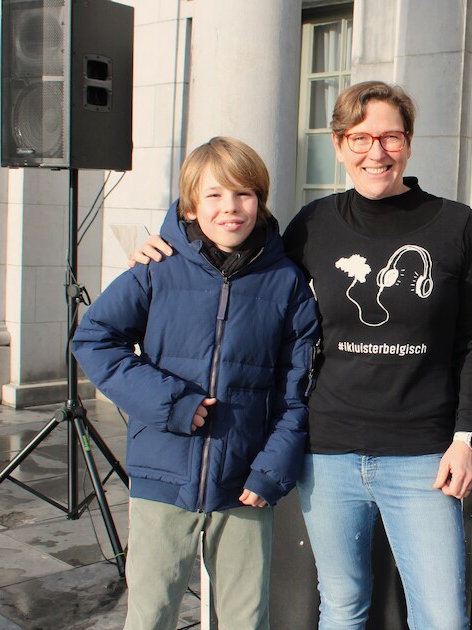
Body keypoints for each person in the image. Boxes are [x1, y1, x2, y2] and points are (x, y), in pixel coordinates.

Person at [132, 81, 472, 629]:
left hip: (424, 454)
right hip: (328, 454)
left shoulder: (455, 224)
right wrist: (168, 242)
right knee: (343, 606)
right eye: (361, 137)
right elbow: (236, 253)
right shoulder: (314, 224)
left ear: (410, 143)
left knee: (443, 616)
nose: (377, 152)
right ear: (340, 144)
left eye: (391, 137)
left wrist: (466, 439)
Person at [72, 136, 320, 630]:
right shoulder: (157, 269)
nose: (231, 208)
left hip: (244, 481)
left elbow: (297, 389)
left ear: (261, 200)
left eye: (244, 194)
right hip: (161, 473)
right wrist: (171, 404)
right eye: (215, 195)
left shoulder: (286, 282)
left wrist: (272, 468)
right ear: (190, 205)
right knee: (151, 613)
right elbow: (94, 338)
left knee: (246, 618)